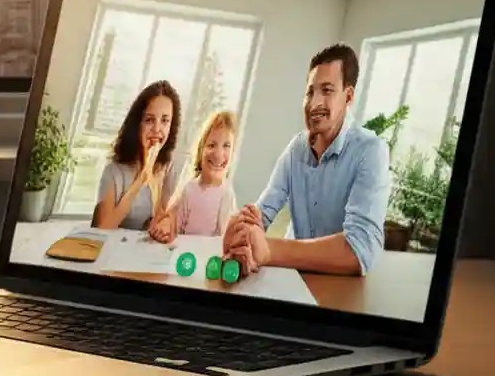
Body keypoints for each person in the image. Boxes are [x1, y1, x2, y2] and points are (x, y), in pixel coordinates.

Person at [224, 44, 391, 277]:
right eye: (310, 92)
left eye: (327, 90)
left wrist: (269, 249)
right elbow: (265, 210)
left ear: (348, 96)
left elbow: (360, 248)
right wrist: (244, 229)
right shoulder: (296, 148)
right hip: (290, 279)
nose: (314, 103)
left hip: (338, 289)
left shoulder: (371, 151)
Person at [91, 80, 184, 231]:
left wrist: (154, 184)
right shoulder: (113, 171)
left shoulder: (172, 169)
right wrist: (141, 179)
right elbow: (103, 229)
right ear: (137, 124)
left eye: (165, 121)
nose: (157, 129)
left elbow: (163, 226)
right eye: (149, 120)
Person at [148, 110, 238, 242]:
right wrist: (164, 228)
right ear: (200, 150)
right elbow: (172, 224)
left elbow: (228, 234)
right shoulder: (189, 190)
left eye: (226, 146)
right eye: (212, 145)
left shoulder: (227, 193)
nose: (218, 154)